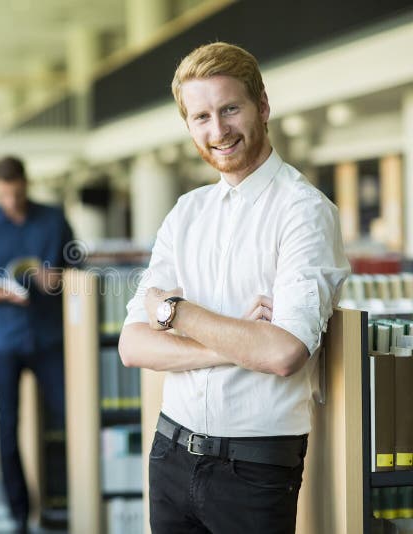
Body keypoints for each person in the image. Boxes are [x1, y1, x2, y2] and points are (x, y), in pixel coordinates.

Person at [118, 42, 351, 533]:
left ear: (262, 106)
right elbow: (133, 344)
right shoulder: (186, 212)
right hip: (170, 454)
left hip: (255, 467)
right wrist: (238, 345)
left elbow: (285, 352)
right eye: (201, 116)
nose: (217, 130)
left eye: (229, 109)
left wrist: (177, 314)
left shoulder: (304, 212)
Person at [0, 155, 75, 534]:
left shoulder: (53, 219)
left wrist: (54, 279)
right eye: (3, 195)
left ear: (26, 185)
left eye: (16, 194)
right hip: (3, 341)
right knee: (6, 428)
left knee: (68, 419)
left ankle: (70, 501)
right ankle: (19, 514)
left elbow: (77, 273)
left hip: (50, 338)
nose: (10, 202)